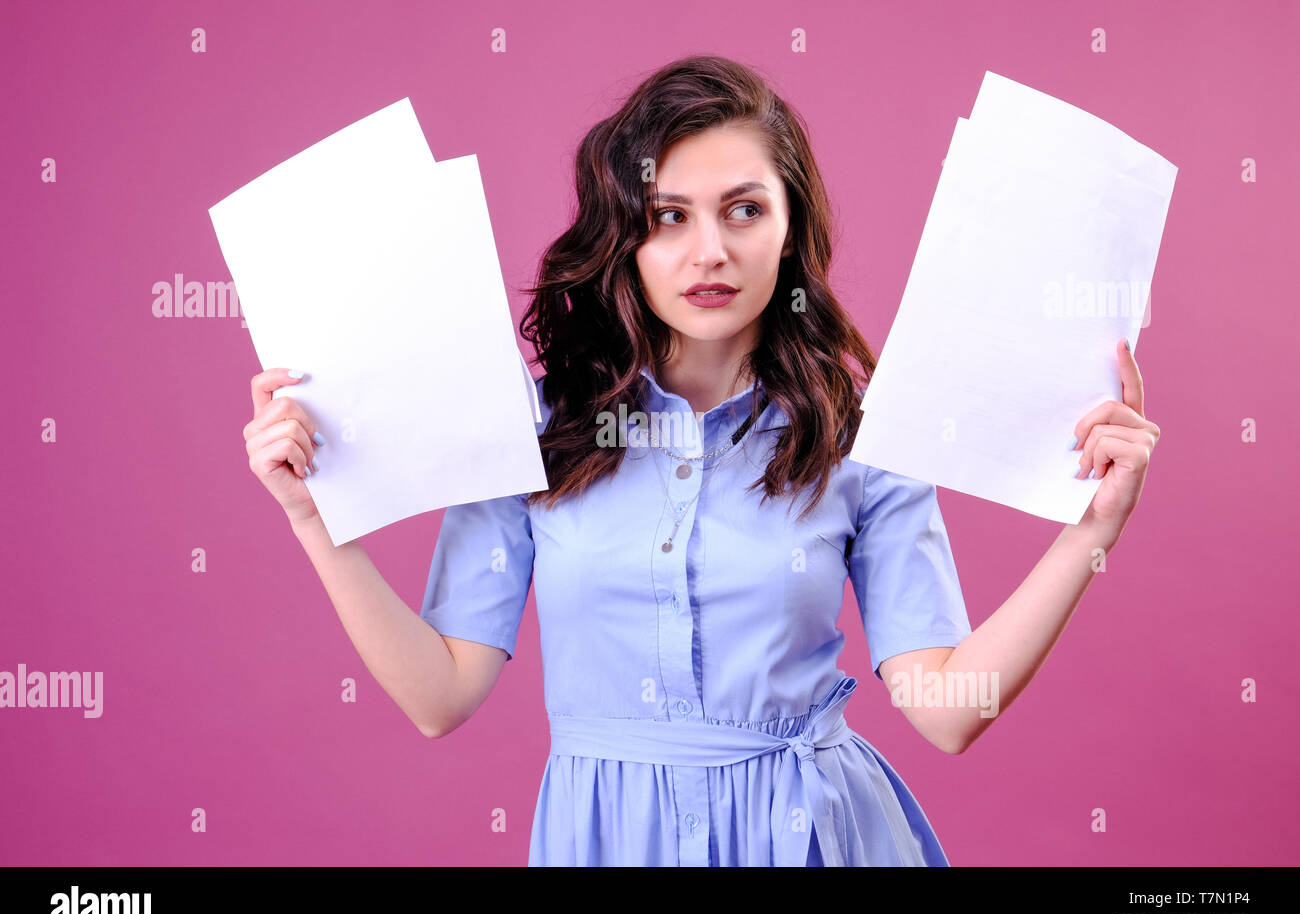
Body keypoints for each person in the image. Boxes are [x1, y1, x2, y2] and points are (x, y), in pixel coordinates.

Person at [242, 55, 1161, 866]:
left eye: (744, 210)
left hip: (813, 838)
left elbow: (948, 708)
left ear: (790, 226)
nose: (709, 251)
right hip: (606, 839)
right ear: (626, 240)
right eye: (669, 217)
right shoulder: (536, 428)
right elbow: (442, 693)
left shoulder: (858, 437)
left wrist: (1093, 528)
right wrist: (316, 521)